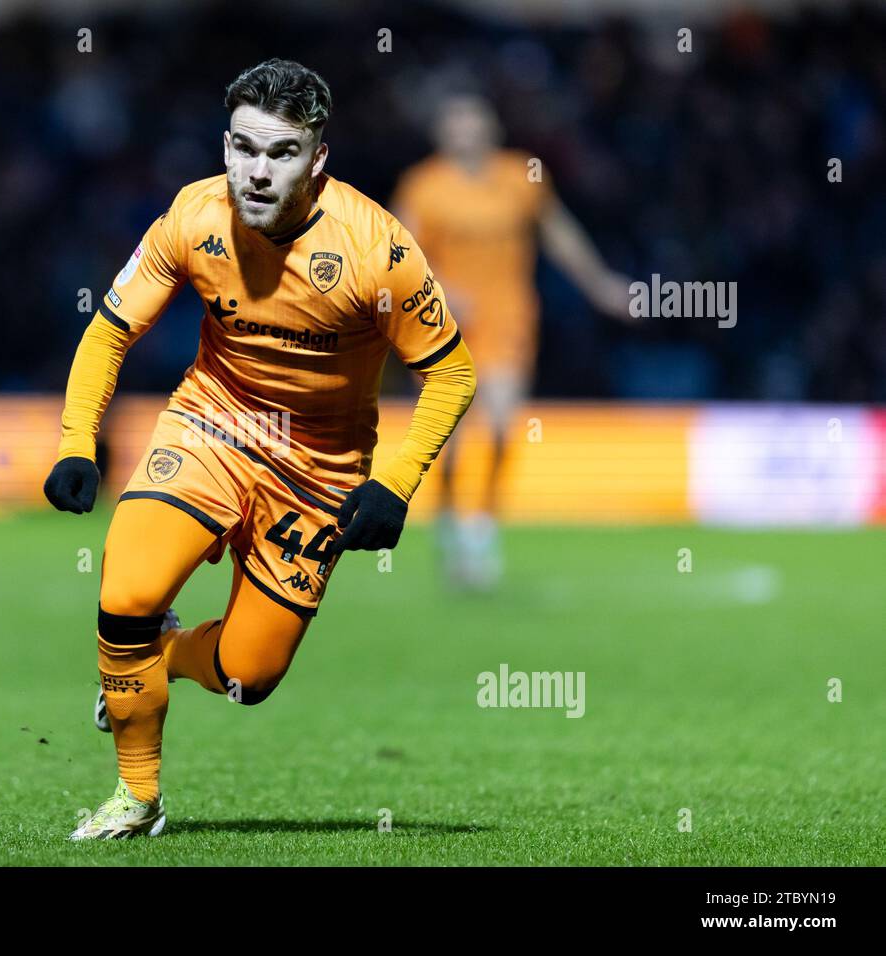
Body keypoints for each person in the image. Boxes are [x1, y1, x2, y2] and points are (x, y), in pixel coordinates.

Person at [43, 59, 476, 839]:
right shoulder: (191, 215)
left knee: (249, 677)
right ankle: (137, 798)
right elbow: (111, 330)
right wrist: (78, 442)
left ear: (318, 159)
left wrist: (397, 482)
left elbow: (452, 374)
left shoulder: (378, 249)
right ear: (225, 146)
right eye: (245, 149)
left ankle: (164, 655)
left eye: (282, 153)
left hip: (320, 468)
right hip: (213, 425)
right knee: (125, 591)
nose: (258, 171)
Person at [391, 93, 634, 588]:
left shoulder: (520, 175)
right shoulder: (425, 185)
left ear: (491, 128)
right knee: (452, 439)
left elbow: (557, 232)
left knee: (502, 425)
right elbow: (399, 252)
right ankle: (448, 518)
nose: (467, 133)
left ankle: (481, 527)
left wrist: (600, 282)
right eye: (456, 124)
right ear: (443, 134)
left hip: (509, 320)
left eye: (474, 122)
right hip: (445, 327)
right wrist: (440, 289)